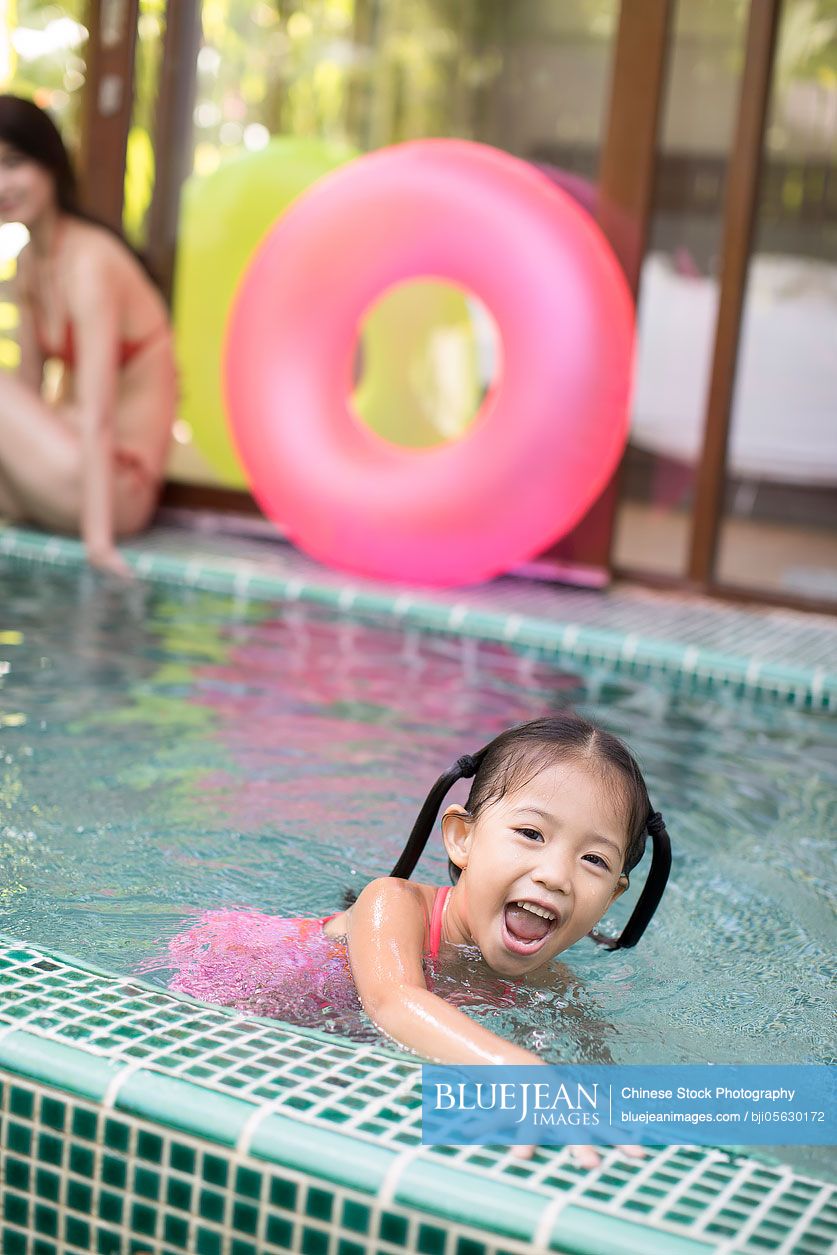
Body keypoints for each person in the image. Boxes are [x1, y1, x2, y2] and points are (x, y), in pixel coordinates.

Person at [162, 713, 672, 1165]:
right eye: (532, 834)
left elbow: (597, 1082)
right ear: (462, 837)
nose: (556, 875)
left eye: (594, 860)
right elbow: (394, 1002)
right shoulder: (391, 904)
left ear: (610, 899)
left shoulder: (558, 984)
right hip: (234, 986)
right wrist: (515, 1068)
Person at [0, 95, 175, 576]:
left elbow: (98, 417)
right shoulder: (25, 268)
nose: (2, 185)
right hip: (68, 478)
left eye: (13, 163)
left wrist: (99, 547)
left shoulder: (90, 263)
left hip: (119, 491)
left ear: (51, 163)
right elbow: (27, 398)